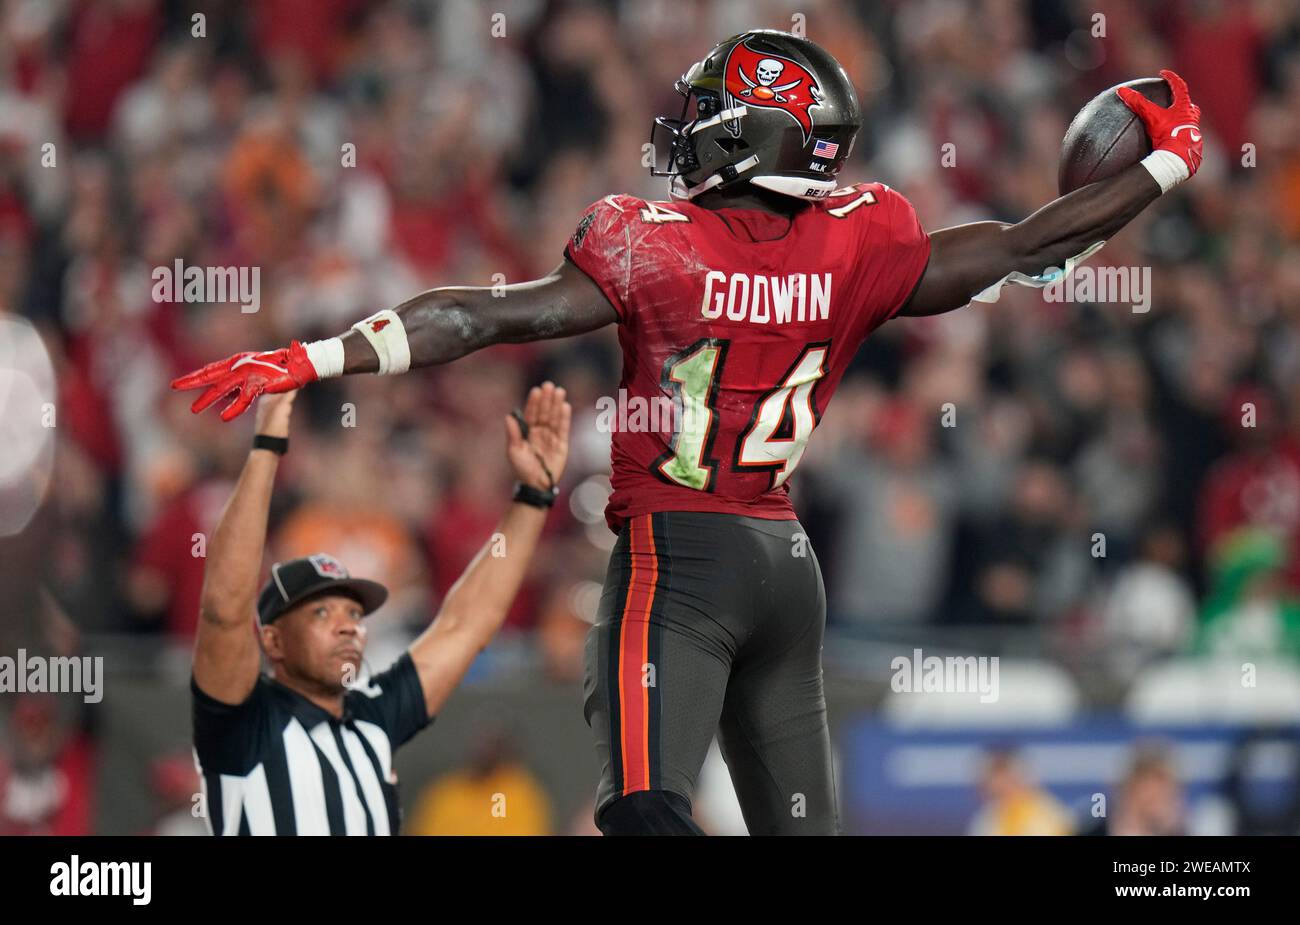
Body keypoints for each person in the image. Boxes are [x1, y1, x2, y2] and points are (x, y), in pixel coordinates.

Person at [171, 30, 1204, 835]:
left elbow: (487, 316)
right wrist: (1161, 170)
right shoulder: (864, 238)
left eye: (713, 113)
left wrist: (317, 355)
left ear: (756, 132)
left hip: (680, 558)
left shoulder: (653, 243)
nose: (690, 127)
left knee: (640, 807)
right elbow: (1035, 244)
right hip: (786, 565)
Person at [190, 384, 570, 835]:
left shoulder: (372, 718)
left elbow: (465, 625)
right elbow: (224, 610)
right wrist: (267, 449)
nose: (348, 627)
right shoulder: (244, 722)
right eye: (320, 613)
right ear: (271, 639)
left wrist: (532, 495)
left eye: (353, 614)